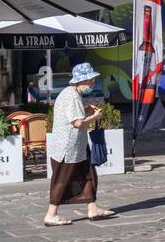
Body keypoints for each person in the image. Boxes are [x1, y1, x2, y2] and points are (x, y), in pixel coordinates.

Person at [43, 63, 117, 227]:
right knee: (62, 179)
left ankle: (93, 208)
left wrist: (85, 110)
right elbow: (77, 123)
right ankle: (51, 214)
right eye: (90, 80)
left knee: (88, 174)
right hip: (68, 148)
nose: (92, 83)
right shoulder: (72, 96)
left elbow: (72, 115)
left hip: (76, 147)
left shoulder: (71, 94)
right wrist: (95, 117)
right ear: (81, 81)